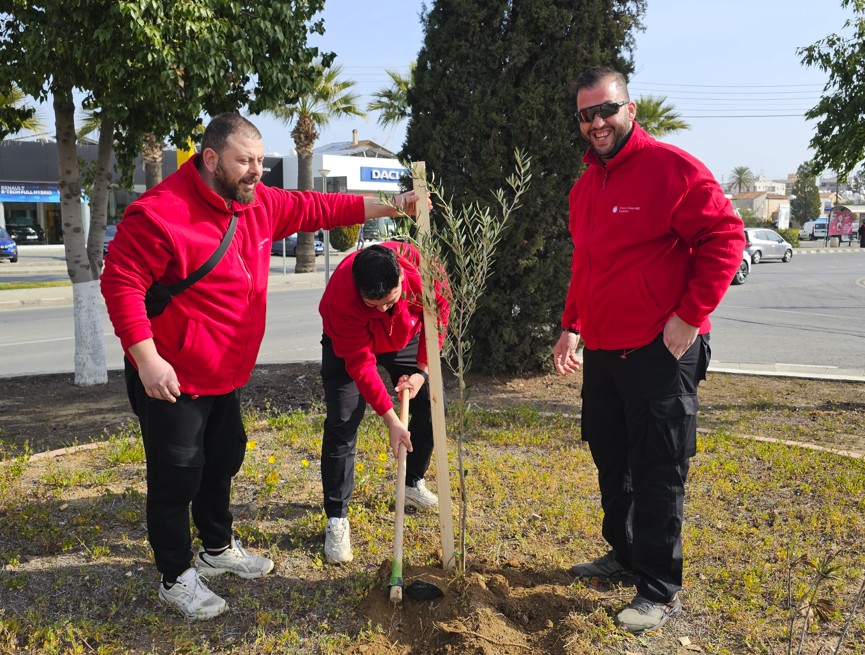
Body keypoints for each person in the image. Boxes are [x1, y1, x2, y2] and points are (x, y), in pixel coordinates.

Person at [100, 113, 421, 620]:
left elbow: (320, 207)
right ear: (211, 159)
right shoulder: (161, 213)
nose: (256, 170)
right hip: (173, 376)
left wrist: (394, 205)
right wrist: (147, 359)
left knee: (222, 459)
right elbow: (120, 282)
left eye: (260, 160)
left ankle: (216, 548)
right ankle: (175, 576)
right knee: (176, 477)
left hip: (224, 374)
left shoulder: (258, 202)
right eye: (245, 161)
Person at [552, 66, 745, 634]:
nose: (596, 123)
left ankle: (659, 589)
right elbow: (587, 265)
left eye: (605, 110)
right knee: (612, 460)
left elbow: (725, 238)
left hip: (660, 353)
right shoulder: (585, 188)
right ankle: (626, 553)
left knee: (658, 468)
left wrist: (690, 315)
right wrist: (571, 326)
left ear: (629, 110)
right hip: (604, 353)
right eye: (585, 114)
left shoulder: (671, 169)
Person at [317, 241, 449, 564]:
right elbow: (361, 365)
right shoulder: (341, 296)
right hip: (348, 344)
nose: (381, 310)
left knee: (431, 406)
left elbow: (438, 315)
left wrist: (421, 371)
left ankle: (412, 483)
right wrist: (392, 419)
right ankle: (337, 518)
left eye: (389, 302)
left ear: (401, 278)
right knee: (343, 419)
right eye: (372, 304)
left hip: (405, 336)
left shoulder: (424, 270)